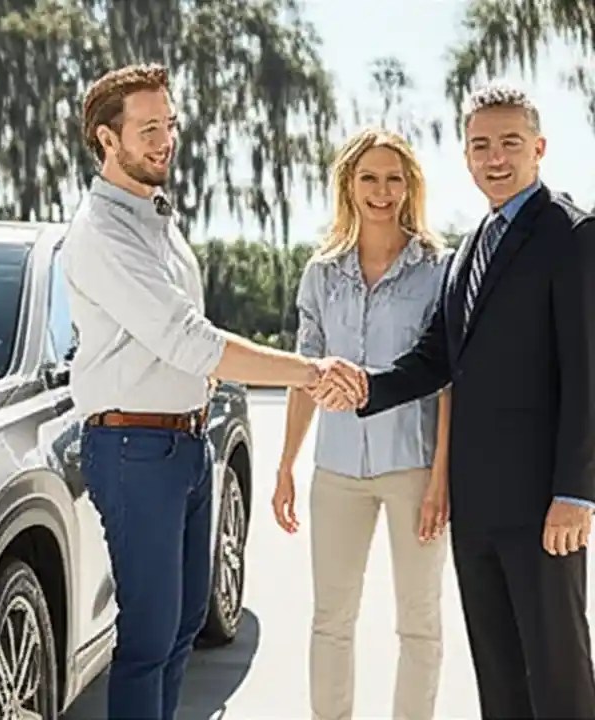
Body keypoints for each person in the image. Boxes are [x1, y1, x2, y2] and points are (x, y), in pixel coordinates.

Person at [60, 62, 358, 720]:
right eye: (148, 129)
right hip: (135, 450)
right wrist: (309, 371)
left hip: (184, 446)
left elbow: (181, 341)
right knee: (148, 638)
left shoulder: (153, 218)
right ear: (107, 138)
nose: (165, 140)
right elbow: (188, 339)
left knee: (183, 628)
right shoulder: (104, 232)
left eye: (169, 124)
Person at [313, 83, 595, 718]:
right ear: (466, 156)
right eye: (480, 145)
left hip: (542, 505)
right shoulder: (470, 246)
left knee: (557, 669)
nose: (495, 158)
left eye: (510, 143)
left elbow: (588, 371)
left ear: (539, 148)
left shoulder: (572, 234)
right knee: (498, 668)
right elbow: (438, 357)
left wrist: (575, 493)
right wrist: (367, 386)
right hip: (477, 504)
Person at [273, 127, 451, 720]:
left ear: (410, 186)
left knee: (419, 622)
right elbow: (304, 375)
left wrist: (440, 478)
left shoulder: (438, 270)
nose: (382, 191)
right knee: (331, 619)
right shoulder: (322, 273)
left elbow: (448, 382)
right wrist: (286, 466)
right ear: (348, 185)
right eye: (369, 178)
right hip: (337, 470)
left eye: (394, 179)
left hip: (413, 468)